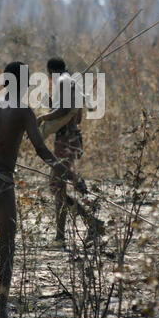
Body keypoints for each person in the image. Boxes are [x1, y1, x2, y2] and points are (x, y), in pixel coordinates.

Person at [0, 61, 87, 318]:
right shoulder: (24, 111)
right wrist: (71, 176)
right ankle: (1, 309)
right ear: (21, 84)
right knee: (6, 247)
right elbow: (42, 151)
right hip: (2, 183)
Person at [37, 57, 104, 248]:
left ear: (51, 71)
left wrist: (43, 117)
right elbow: (77, 116)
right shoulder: (72, 83)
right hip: (72, 139)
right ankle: (90, 223)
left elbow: (66, 109)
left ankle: (64, 236)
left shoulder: (63, 81)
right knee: (55, 186)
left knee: (57, 187)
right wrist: (53, 106)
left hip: (66, 141)